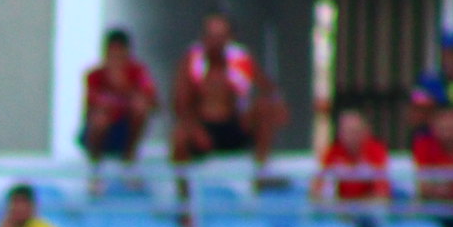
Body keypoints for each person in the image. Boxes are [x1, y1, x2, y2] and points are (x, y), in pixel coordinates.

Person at [171, 13, 287, 167]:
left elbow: (269, 89)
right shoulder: (191, 61)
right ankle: (183, 188)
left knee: (265, 109)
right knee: (180, 135)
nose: (216, 42)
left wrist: (275, 107)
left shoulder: (241, 59)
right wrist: (194, 128)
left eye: (221, 36)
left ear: (230, 38)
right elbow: (180, 103)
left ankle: (260, 175)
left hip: (235, 124)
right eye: (211, 36)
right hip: (203, 127)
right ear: (203, 38)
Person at [81, 29, 158, 164]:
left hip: (126, 129)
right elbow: (91, 107)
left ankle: (129, 157)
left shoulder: (138, 73)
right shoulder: (95, 76)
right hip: (103, 131)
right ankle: (94, 163)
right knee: (100, 119)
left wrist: (126, 90)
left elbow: (153, 102)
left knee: (140, 106)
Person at [315, 110, 392, 204]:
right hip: (341, 209)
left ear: (365, 132)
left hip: (368, 210)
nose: (349, 136)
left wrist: (355, 204)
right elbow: (316, 192)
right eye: (345, 131)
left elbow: (382, 195)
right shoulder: (333, 153)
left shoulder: (376, 151)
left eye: (354, 131)